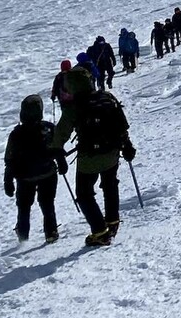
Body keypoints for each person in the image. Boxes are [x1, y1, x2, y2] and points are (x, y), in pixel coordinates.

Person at [52, 87, 135, 247]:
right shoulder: (106, 97)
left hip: (88, 157)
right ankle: (112, 221)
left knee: (84, 194)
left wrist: (58, 154)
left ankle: (100, 231)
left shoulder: (74, 105)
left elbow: (61, 133)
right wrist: (127, 145)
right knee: (110, 184)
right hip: (111, 151)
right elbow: (121, 123)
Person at [3, 93, 65, 242]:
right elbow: (57, 149)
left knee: (24, 206)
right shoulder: (48, 128)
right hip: (47, 173)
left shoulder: (16, 134)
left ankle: (23, 234)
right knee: (47, 203)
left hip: (24, 177)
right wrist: (61, 163)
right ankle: (51, 232)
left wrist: (8, 181)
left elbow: (9, 159)